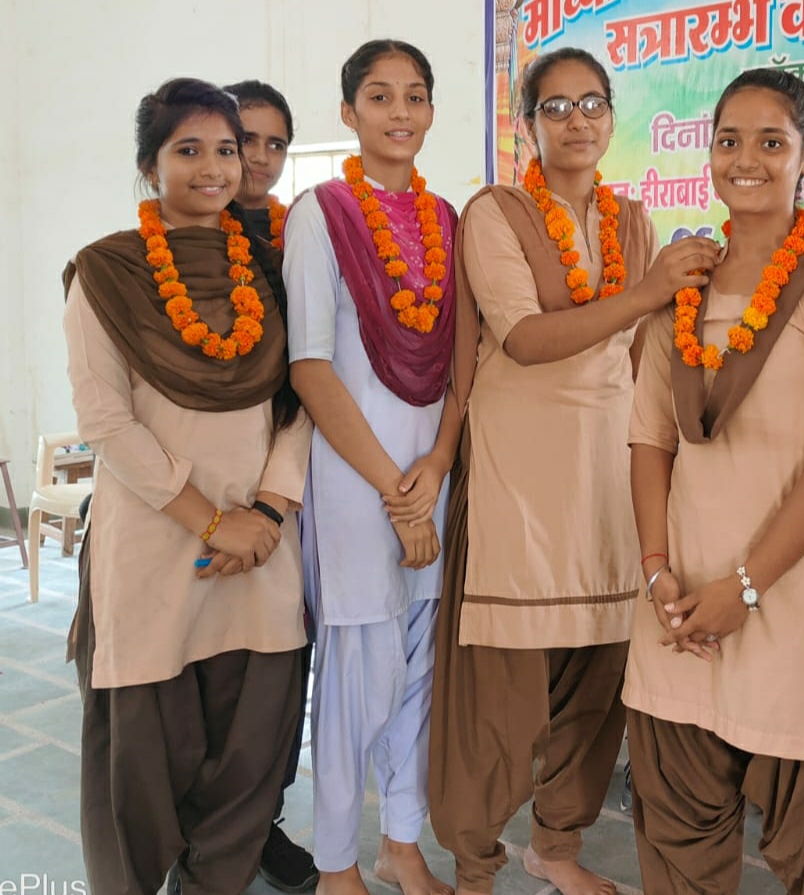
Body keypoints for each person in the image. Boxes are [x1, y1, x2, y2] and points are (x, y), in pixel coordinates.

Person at [427, 46, 720, 895]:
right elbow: (520, 338)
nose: (578, 120)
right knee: (500, 696)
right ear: (526, 124)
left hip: (609, 471)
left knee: (595, 684)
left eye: (593, 104)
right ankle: (473, 863)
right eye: (556, 107)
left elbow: (643, 352)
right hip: (520, 470)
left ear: (611, 117)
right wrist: (646, 291)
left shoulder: (633, 223)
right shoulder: (494, 211)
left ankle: (555, 847)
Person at [624, 68, 804, 895]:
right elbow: (647, 440)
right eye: (729, 140)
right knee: (676, 845)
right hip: (678, 608)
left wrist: (743, 586)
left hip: (789, 609)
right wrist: (660, 570)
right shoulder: (680, 284)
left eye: (771, 142)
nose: (747, 159)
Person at [63, 77, 311, 895]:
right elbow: (106, 421)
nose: (214, 166)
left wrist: (268, 511)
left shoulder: (274, 269)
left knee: (250, 753)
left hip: (264, 539)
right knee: (143, 759)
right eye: (188, 149)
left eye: (228, 149)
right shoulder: (104, 272)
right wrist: (215, 523)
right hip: (158, 536)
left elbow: (302, 397)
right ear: (149, 164)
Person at [283, 39, 459, 895]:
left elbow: (465, 364)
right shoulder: (320, 212)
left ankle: (400, 841)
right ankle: (334, 862)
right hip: (358, 481)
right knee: (358, 667)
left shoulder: (448, 219)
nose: (400, 112)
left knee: (421, 661)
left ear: (431, 111)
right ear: (348, 112)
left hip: (433, 471)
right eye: (380, 96)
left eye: (415, 95)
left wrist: (438, 462)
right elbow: (310, 366)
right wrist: (397, 490)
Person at [222, 75, 318, 895]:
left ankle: (259, 824)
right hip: (187, 496)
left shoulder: (301, 244)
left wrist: (273, 501)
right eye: (238, 139)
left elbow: (311, 376)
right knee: (195, 688)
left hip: (282, 494)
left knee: (275, 678)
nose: (255, 158)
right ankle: (201, 837)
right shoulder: (154, 249)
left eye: (272, 143)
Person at [224, 80, 293, 250]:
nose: (261, 158)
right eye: (247, 140)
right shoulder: (193, 227)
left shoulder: (300, 228)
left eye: (276, 146)